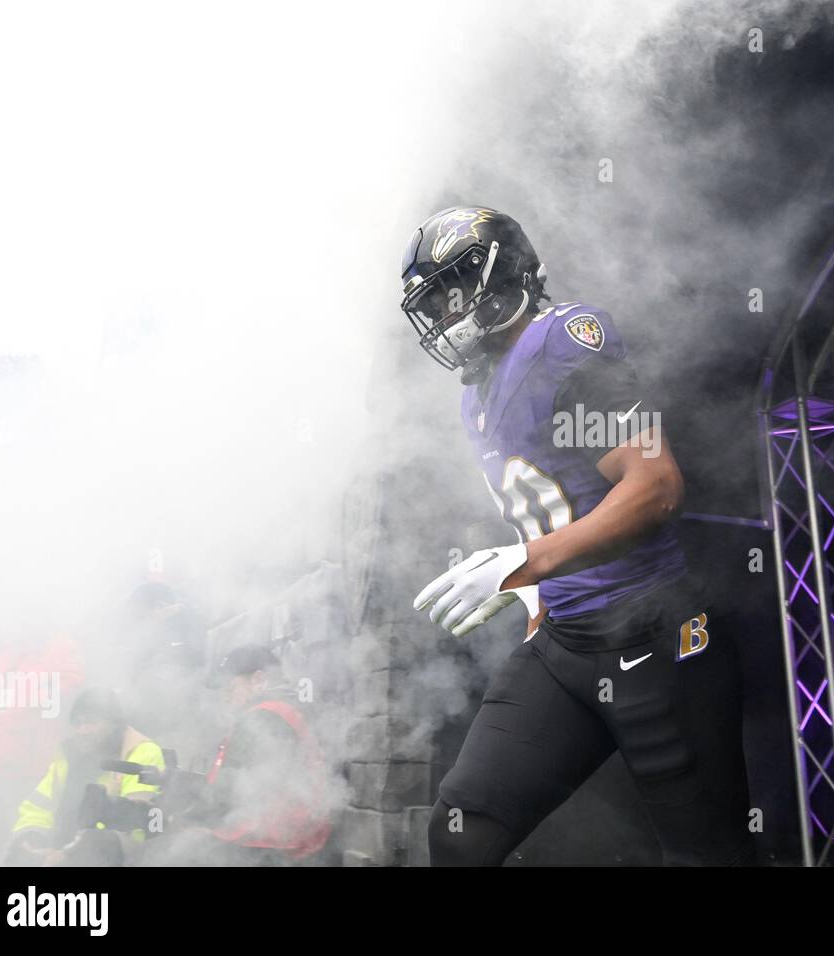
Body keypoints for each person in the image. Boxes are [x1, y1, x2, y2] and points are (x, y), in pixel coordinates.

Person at [400, 205, 753, 865]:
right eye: (433, 304)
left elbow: (655, 487)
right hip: (566, 647)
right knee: (460, 834)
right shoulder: (474, 398)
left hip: (658, 643)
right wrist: (535, 597)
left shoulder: (563, 343)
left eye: (449, 293)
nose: (443, 317)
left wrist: (524, 565)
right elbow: (545, 508)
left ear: (496, 277)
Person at [176, 644, 331, 865]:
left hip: (266, 846)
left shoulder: (263, 716)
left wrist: (188, 816)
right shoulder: (281, 711)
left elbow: (230, 792)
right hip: (284, 842)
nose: (226, 698)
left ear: (258, 680)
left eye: (230, 688)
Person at [6, 688, 164, 866]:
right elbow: (37, 808)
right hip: (62, 854)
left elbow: (137, 827)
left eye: (90, 722)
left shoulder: (142, 752)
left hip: (120, 857)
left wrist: (74, 852)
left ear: (113, 724)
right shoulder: (68, 758)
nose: (82, 730)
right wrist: (33, 842)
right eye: (77, 723)